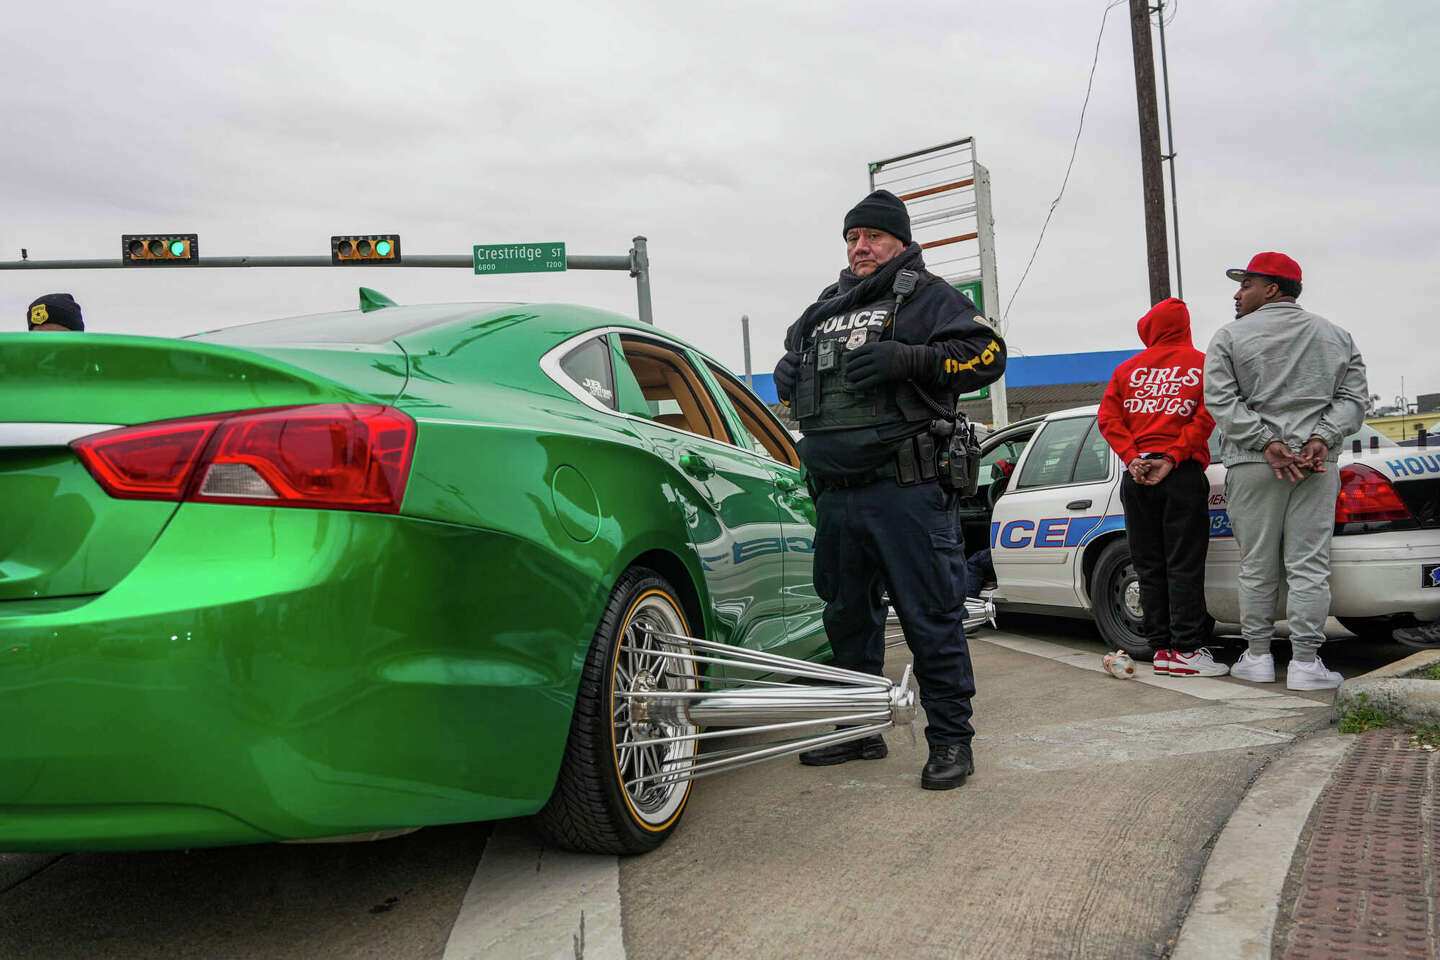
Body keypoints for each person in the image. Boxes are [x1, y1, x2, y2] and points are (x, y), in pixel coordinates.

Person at [772, 189, 1006, 790]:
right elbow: (793, 363)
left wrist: (911, 360)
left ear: (898, 241)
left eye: (872, 236)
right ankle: (857, 730)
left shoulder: (929, 297)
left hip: (906, 490)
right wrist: (787, 372)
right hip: (837, 495)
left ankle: (952, 741)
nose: (861, 247)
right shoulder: (824, 307)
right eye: (852, 238)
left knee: (930, 617)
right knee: (847, 617)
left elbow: (989, 355)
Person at [1204, 252, 1368, 690]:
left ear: (1271, 288)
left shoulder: (1229, 337)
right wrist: (1321, 438)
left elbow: (1220, 401)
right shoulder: (1336, 336)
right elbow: (1354, 400)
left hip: (1254, 465)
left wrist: (1267, 443)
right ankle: (1305, 664)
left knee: (1257, 565)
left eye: (1246, 285)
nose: (1238, 295)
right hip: (1316, 465)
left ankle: (1257, 656)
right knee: (1309, 566)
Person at [1097, 298, 1221, 677]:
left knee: (1148, 565)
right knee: (1182, 563)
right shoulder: (1204, 365)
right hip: (1179, 473)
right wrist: (1172, 456)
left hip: (1137, 476)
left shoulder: (1126, 370)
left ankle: (1163, 649)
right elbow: (1206, 415)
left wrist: (1133, 457)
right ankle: (1186, 651)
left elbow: (1108, 418)